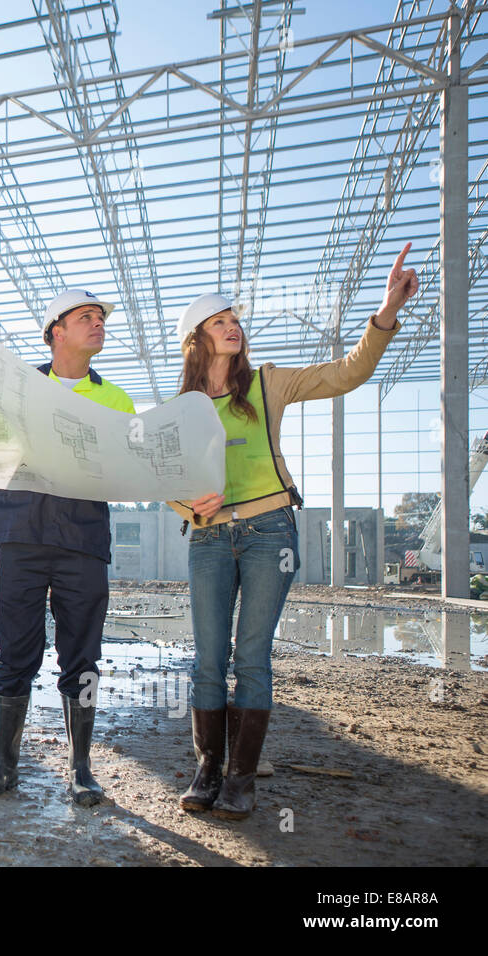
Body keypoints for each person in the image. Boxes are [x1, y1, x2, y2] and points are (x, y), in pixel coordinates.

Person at [170, 242, 418, 821]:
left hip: (269, 532)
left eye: (236, 320)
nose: (234, 327)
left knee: (251, 657)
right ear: (197, 338)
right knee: (207, 659)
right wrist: (187, 507)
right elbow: (161, 478)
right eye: (220, 322)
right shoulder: (180, 406)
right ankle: (206, 769)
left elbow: (347, 373)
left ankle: (241, 779)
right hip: (208, 538)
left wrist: (384, 313)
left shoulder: (269, 383)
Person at [0, 289, 135, 806]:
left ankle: (81, 769)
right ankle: (3, 765)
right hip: (21, 538)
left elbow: (129, 468)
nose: (98, 324)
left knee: (83, 657)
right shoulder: (16, 390)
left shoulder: (117, 400)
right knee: (14, 652)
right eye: (87, 317)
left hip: (82, 541)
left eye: (101, 318)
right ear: (57, 331)